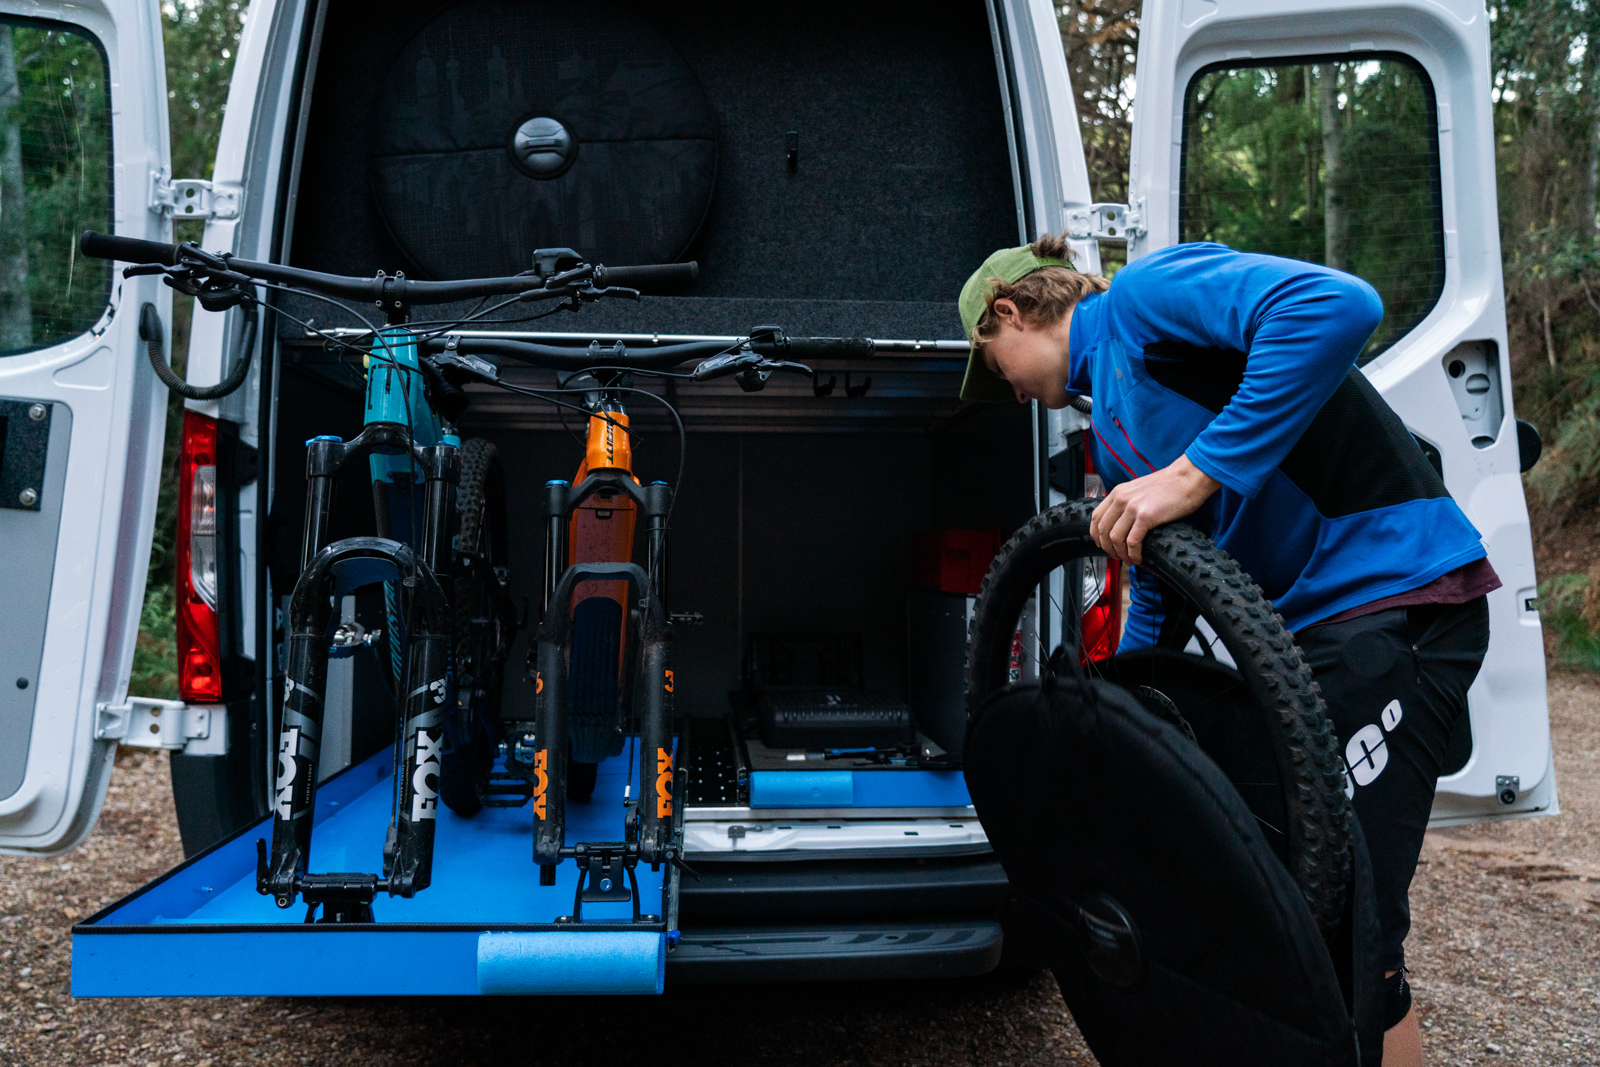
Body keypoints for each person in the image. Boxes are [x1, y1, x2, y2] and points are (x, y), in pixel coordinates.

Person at [959, 235, 1498, 1066]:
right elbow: (1173, 575)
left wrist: (1197, 470)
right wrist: (1115, 705)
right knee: (1285, 907)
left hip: (1398, 600)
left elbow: (1341, 306)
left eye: (998, 367)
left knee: (1350, 926)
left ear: (1011, 313)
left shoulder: (1143, 300)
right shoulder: (1112, 423)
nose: (1018, 394)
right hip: (1310, 636)